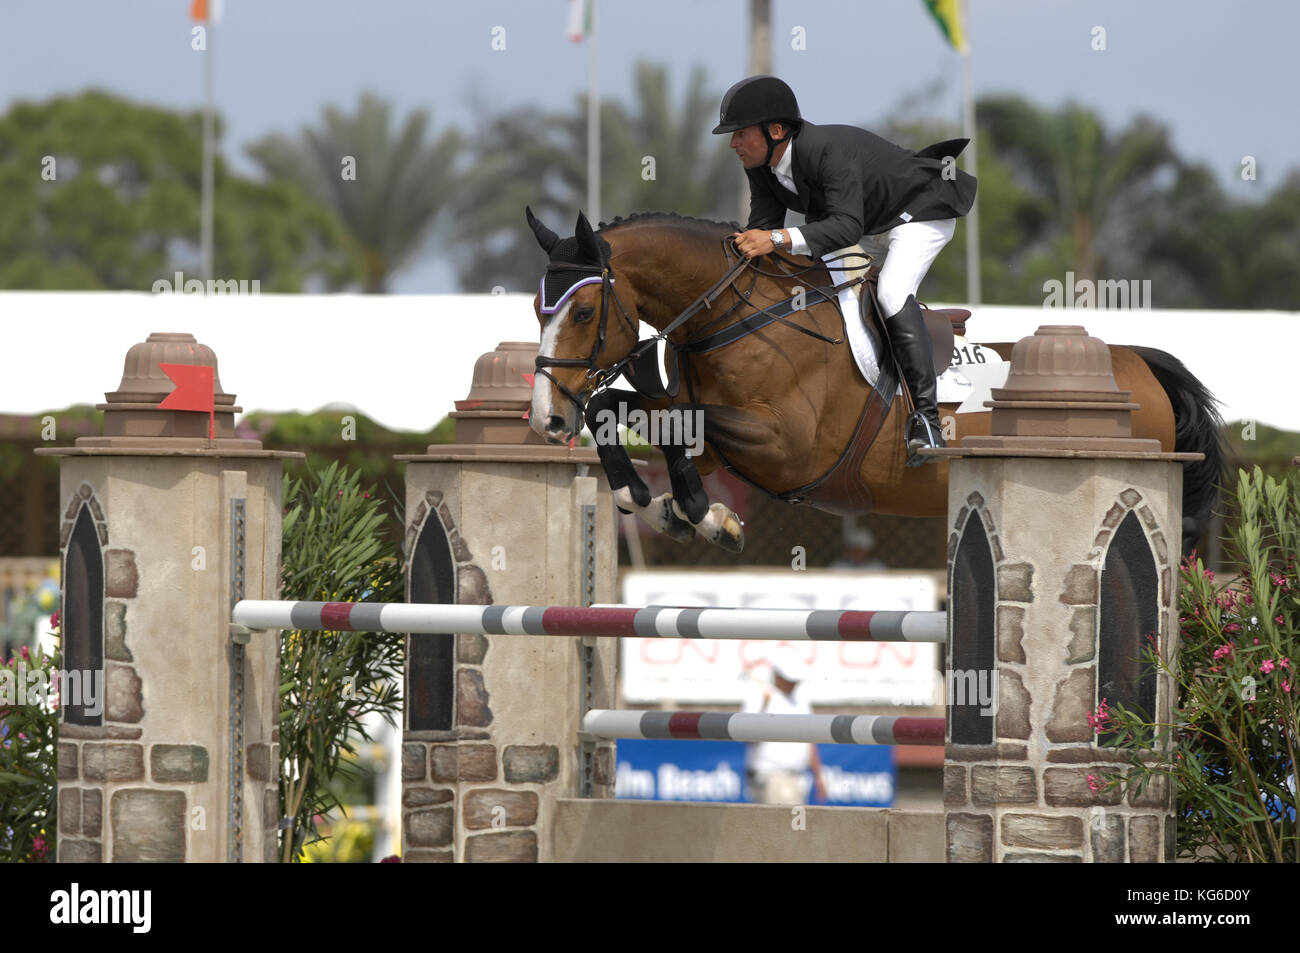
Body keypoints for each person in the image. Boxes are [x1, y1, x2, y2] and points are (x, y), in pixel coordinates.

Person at [714, 75, 977, 466]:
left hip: (920, 213)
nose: (733, 143)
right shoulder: (762, 165)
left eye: (739, 133)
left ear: (775, 130)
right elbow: (765, 229)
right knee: (812, 277)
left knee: (890, 292)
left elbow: (843, 229)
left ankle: (926, 420)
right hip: (871, 223)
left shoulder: (825, 151)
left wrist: (779, 239)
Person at [743, 647, 826, 805]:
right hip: (771, 778)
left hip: (797, 778)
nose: (794, 684)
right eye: (790, 679)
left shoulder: (801, 701)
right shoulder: (758, 696)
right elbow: (748, 738)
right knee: (783, 827)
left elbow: (810, 740)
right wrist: (763, 707)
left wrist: (818, 774)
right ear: (778, 675)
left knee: (794, 827)